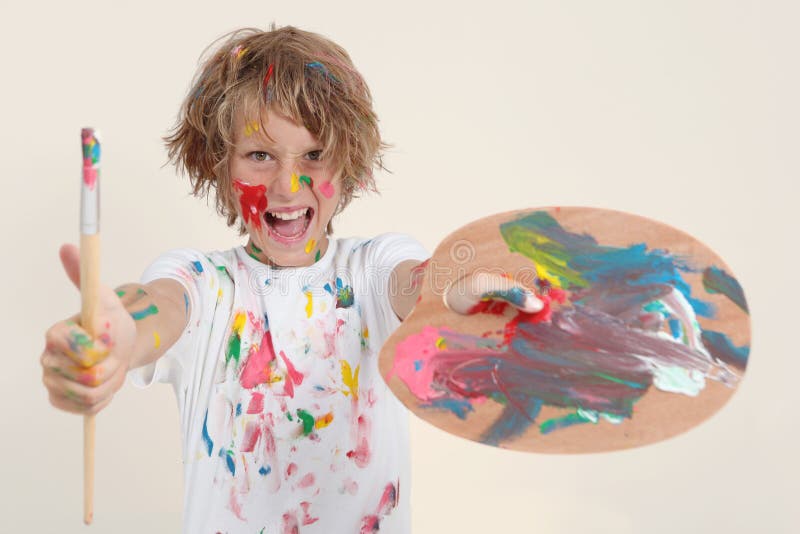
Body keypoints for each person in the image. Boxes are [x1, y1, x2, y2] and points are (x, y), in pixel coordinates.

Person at [40, 25, 543, 533]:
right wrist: (115, 338)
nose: (286, 184)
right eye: (259, 155)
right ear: (220, 164)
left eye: (315, 155)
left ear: (348, 164)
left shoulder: (372, 270)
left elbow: (421, 285)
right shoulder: (205, 284)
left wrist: (457, 292)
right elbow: (158, 306)